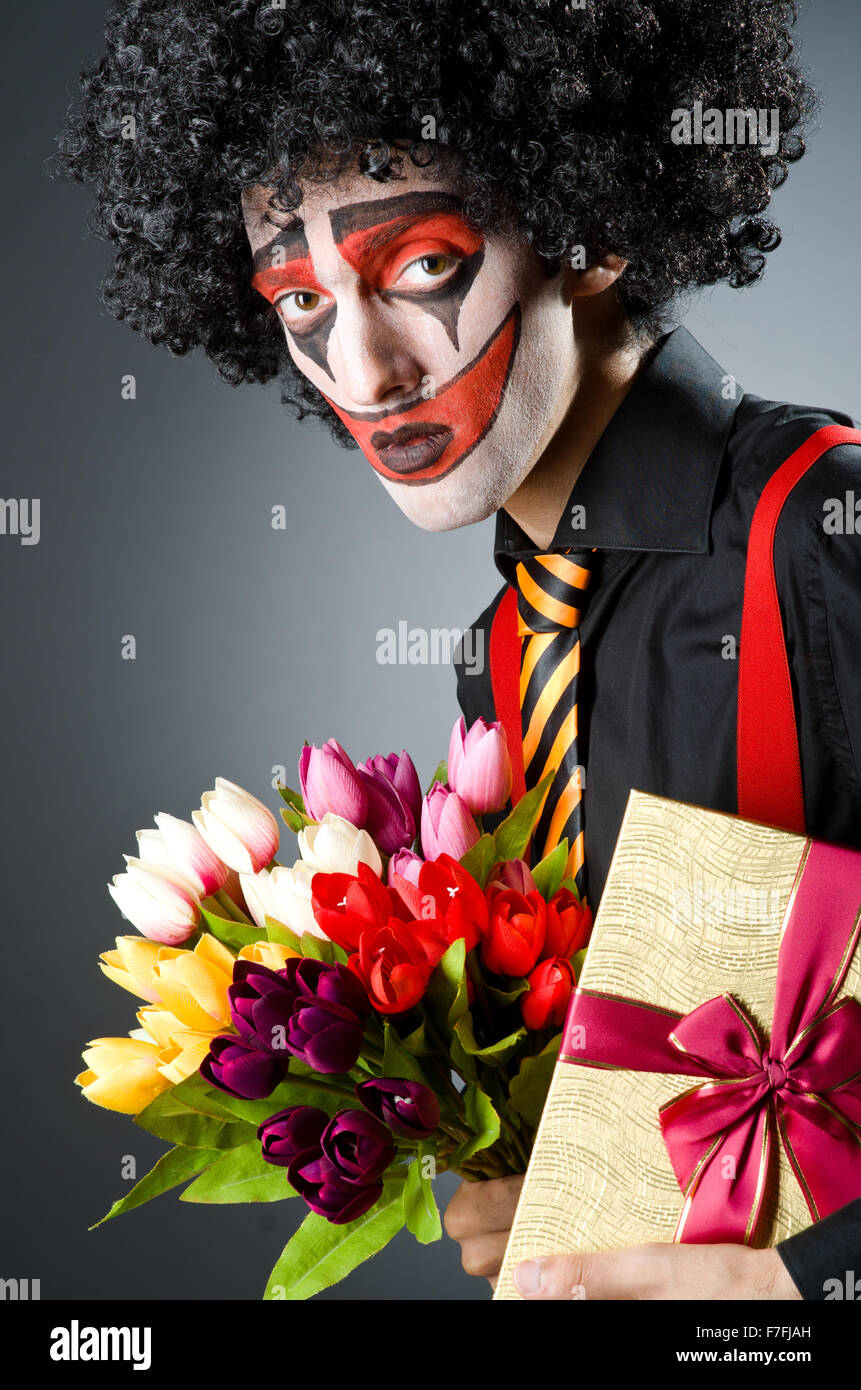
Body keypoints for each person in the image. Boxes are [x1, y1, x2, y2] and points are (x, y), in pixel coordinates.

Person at [54, 0, 861, 1299]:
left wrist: (802, 1282)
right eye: (302, 298)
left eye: (420, 266)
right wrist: (540, 1189)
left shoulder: (820, 531)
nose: (362, 366)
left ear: (587, 228)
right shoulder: (505, 653)